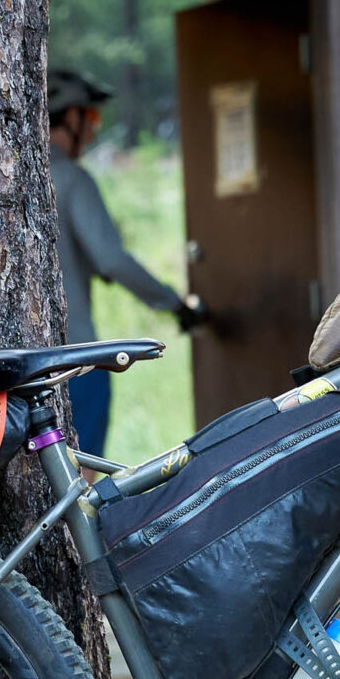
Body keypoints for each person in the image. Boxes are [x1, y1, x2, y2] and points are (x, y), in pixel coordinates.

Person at [47, 69, 206, 457]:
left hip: (22, 367)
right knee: (81, 471)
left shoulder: (20, 175)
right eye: (93, 119)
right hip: (74, 358)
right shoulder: (71, 178)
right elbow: (112, 259)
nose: (94, 132)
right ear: (71, 117)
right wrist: (174, 304)